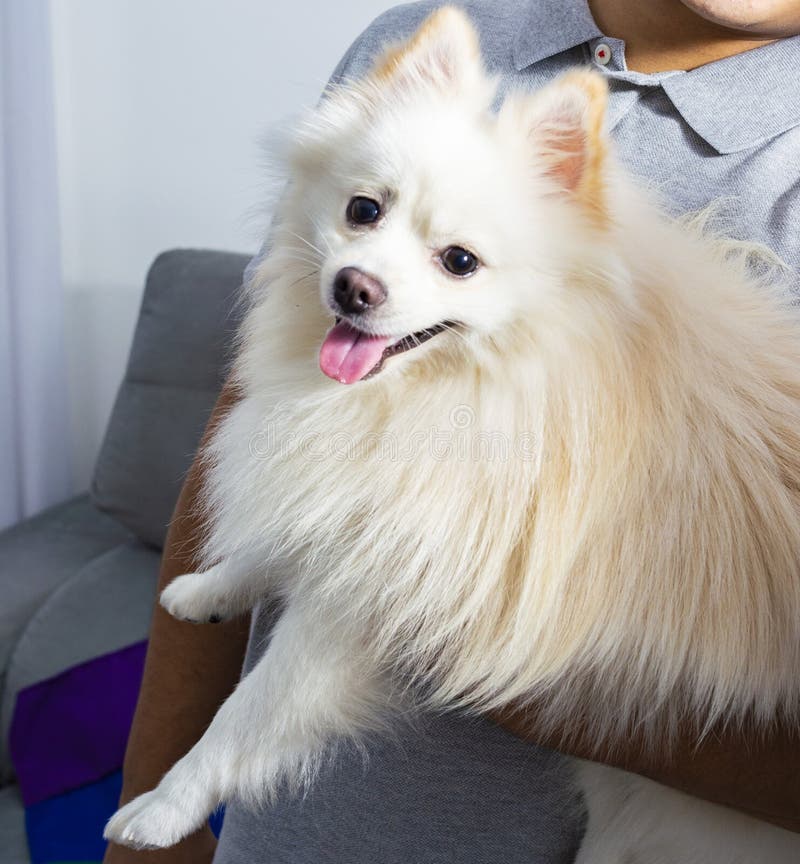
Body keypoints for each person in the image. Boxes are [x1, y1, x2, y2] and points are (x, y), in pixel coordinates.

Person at [104, 1, 800, 861]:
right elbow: (256, 419)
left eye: (458, 261)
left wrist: (469, 613)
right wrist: (153, 819)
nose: (366, 275)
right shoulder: (444, 33)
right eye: (365, 214)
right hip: (286, 839)